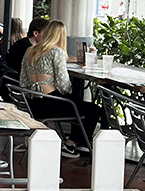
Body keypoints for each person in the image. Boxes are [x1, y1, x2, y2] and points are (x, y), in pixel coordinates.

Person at [20, 20, 106, 158]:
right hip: (50, 104)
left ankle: (79, 142)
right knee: (94, 110)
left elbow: (23, 81)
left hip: (32, 104)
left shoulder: (30, 51)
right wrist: (69, 92)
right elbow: (63, 84)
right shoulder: (56, 52)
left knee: (78, 104)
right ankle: (70, 144)